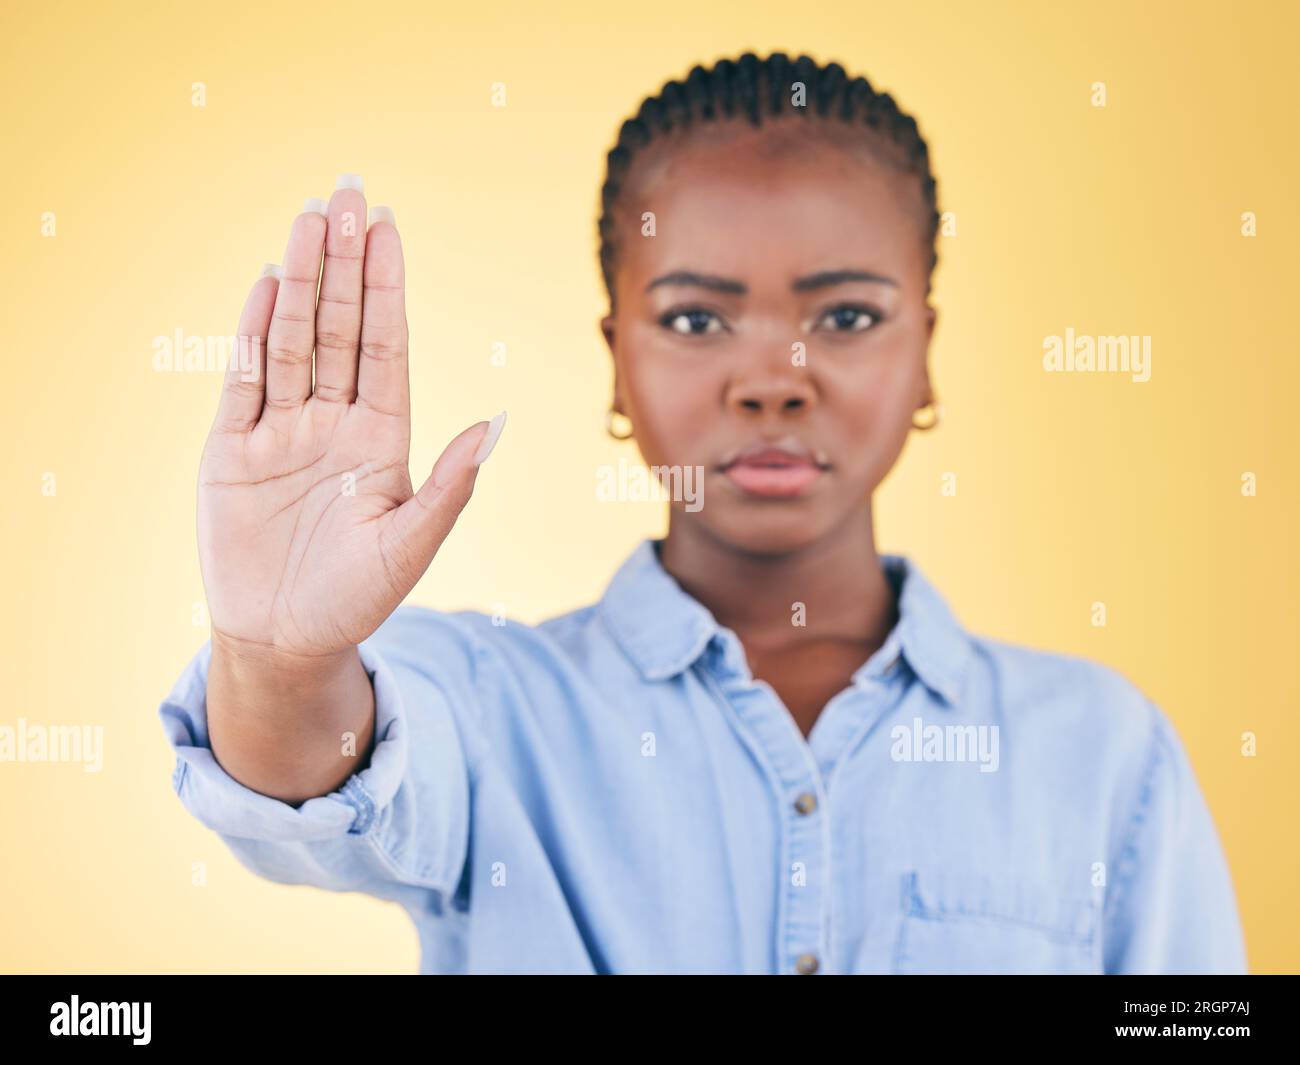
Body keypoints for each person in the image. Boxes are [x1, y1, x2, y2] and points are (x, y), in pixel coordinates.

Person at [158, 51, 1247, 974]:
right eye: (693, 319)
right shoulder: (494, 715)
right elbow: (309, 778)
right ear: (617, 366)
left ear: (924, 357)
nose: (772, 378)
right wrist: (281, 663)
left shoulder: (1102, 752)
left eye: (849, 313)